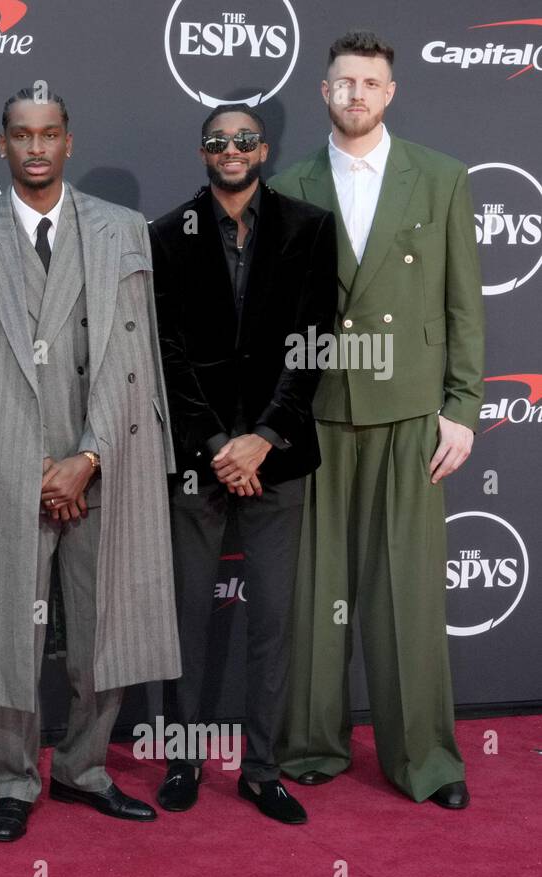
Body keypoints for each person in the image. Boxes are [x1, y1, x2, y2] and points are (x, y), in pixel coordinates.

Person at [0, 89, 181, 843]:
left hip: (106, 459)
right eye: (21, 135)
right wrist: (38, 467)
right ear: (0, 144)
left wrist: (88, 457)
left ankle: (84, 767)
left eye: (49, 134)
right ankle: (11, 779)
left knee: (109, 624)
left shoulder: (122, 230)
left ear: (69, 141)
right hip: (4, 465)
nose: (35, 147)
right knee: (10, 625)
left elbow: (137, 360)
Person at [269, 31, 485, 808]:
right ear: (324, 93)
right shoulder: (289, 184)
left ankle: (425, 758)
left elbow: (465, 303)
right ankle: (310, 746)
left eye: (370, 82)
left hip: (408, 417)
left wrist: (462, 407)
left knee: (409, 597)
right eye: (344, 82)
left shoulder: (442, 178)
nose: (356, 93)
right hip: (319, 417)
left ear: (389, 94)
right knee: (314, 594)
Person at [150, 104, 337, 823]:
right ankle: (184, 760)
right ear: (202, 151)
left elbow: (313, 342)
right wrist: (215, 448)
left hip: (278, 456)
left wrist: (263, 437)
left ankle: (262, 769)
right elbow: (166, 358)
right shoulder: (168, 234)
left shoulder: (310, 228)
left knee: (274, 623)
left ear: (265, 149)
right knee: (186, 617)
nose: (233, 151)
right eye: (219, 141)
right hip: (199, 463)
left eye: (246, 140)